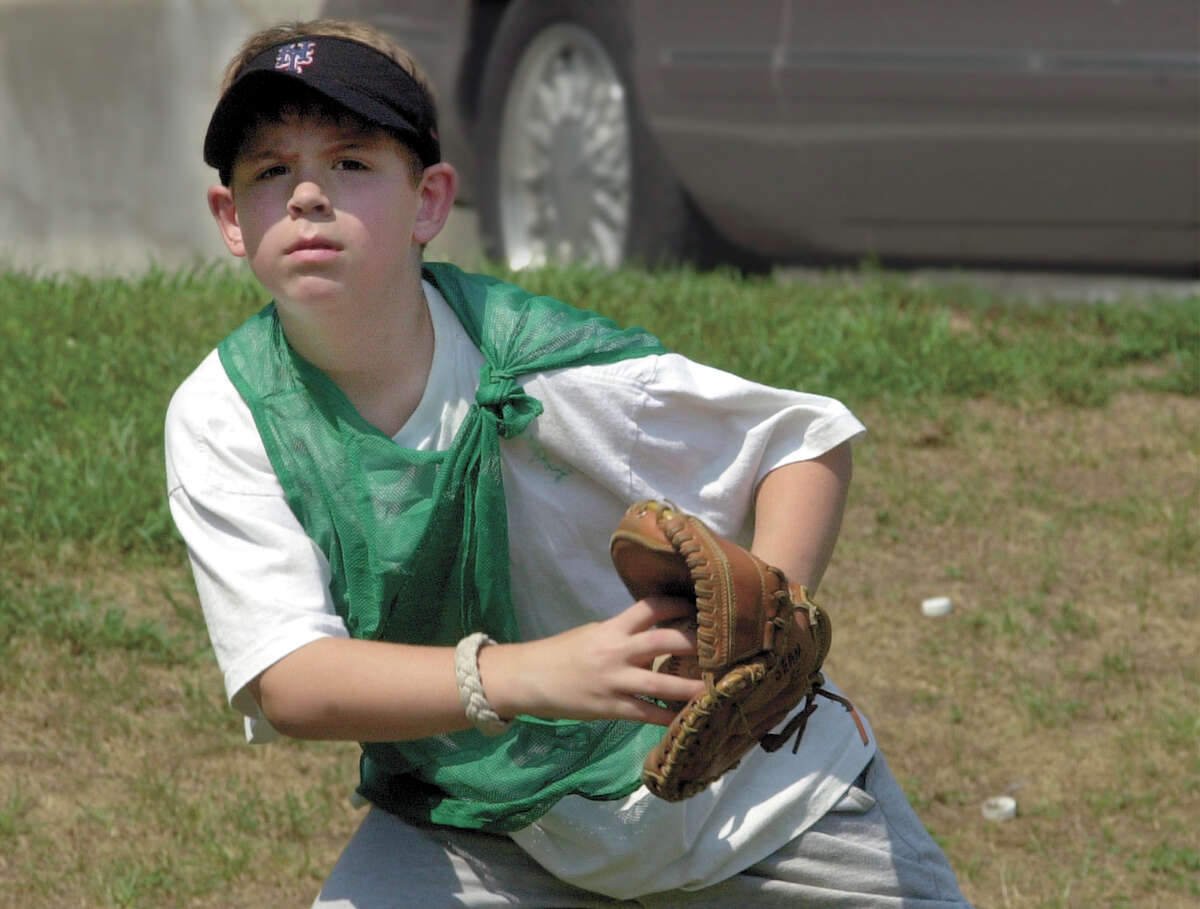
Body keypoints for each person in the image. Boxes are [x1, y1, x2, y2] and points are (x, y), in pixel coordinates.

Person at [166, 17, 972, 907]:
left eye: (351, 161)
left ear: (430, 201)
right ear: (230, 219)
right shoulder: (229, 413)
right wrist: (528, 674)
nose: (308, 195)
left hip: (756, 808)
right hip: (487, 824)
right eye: (271, 171)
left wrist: (763, 623)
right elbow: (291, 680)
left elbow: (802, 442)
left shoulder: (538, 367)